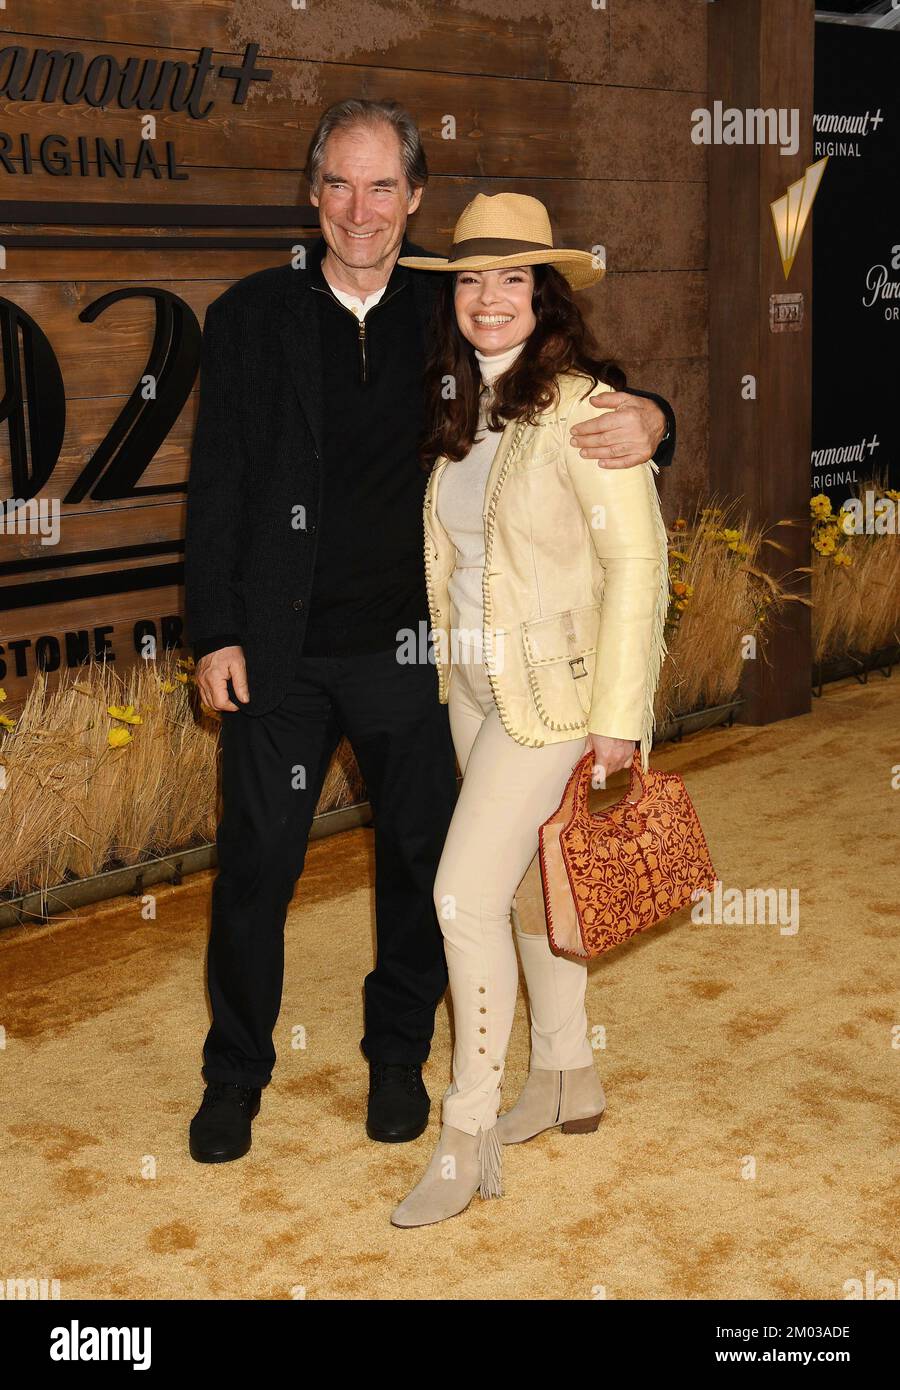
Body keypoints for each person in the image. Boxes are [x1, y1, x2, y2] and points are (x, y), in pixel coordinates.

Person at [184, 99, 676, 1164]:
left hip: (415, 652)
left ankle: (400, 1056)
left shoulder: (445, 313)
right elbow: (215, 485)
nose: (359, 210)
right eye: (338, 186)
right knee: (259, 864)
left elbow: (563, 380)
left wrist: (657, 417)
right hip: (278, 652)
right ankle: (235, 1077)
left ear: (414, 199)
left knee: (424, 864)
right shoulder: (248, 317)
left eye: (381, 188)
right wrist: (216, 629)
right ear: (313, 195)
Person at [390, 192, 670, 1227]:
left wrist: (619, 717)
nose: (489, 297)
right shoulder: (464, 403)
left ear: (544, 295)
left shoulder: (588, 410)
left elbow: (638, 566)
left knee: (461, 897)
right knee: (522, 893)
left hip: (552, 703)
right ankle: (565, 1073)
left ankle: (464, 1133)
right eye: (471, 279)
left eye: (512, 278)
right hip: (473, 692)